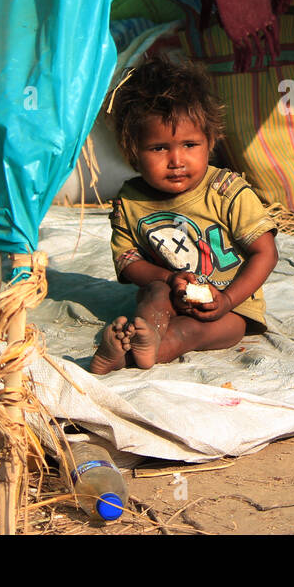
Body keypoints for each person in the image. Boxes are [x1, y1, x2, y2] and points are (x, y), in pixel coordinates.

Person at [91, 56, 278, 373]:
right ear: (131, 149)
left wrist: (229, 300)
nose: (176, 160)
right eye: (159, 148)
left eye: (190, 144)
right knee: (154, 296)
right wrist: (167, 278)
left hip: (230, 306)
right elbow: (128, 260)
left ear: (211, 141)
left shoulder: (226, 191)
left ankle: (126, 356)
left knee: (198, 331)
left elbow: (266, 253)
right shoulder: (131, 201)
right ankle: (144, 337)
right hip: (169, 296)